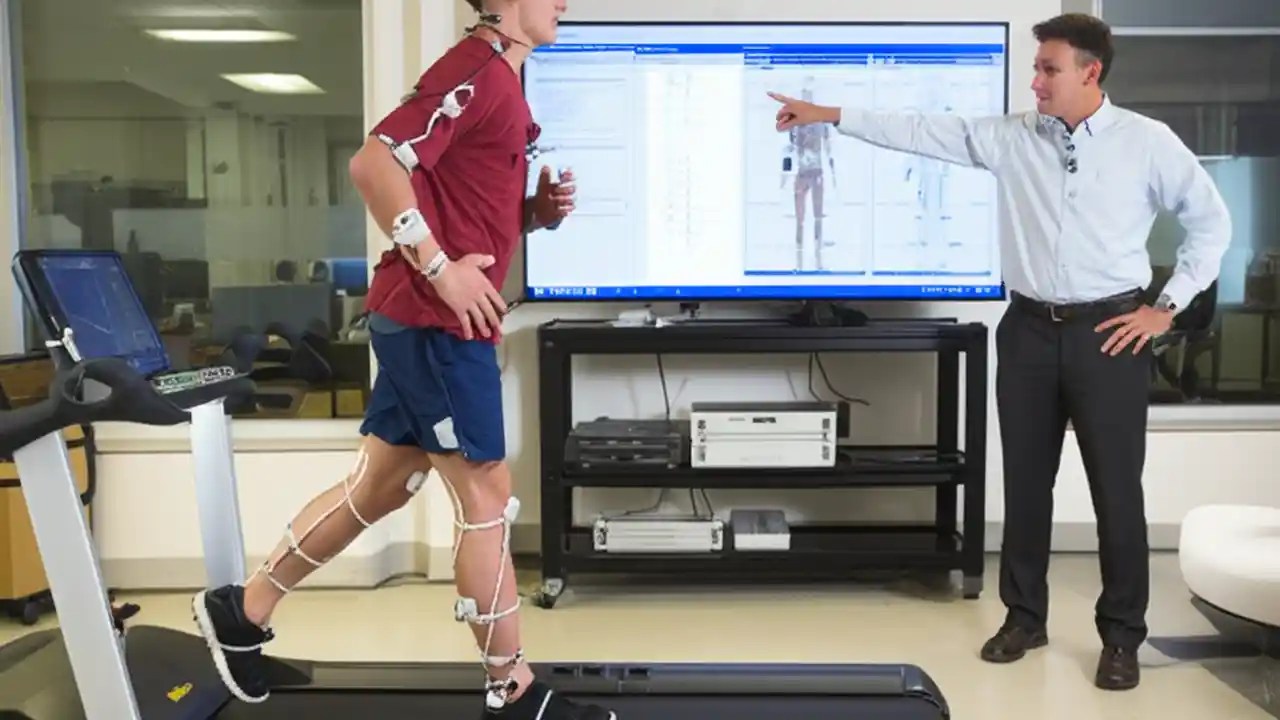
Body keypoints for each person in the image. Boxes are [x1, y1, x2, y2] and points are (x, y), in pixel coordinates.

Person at [771, 13, 1231, 691]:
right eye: (1037, 68)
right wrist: (830, 114)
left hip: (1109, 333)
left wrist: (1165, 309)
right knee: (1025, 485)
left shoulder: (1147, 144)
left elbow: (1211, 222)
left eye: (1049, 69)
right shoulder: (1012, 137)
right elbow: (921, 130)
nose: (1036, 81)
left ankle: (1122, 637)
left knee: (1116, 495)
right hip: (1028, 332)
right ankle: (1025, 617)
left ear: (1090, 72)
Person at [191, 2, 617, 718]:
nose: (565, 3)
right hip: (435, 323)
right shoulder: (474, 68)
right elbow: (374, 161)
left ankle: (244, 611)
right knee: (486, 495)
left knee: (381, 485)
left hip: (421, 318)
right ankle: (511, 690)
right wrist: (442, 269)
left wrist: (529, 215)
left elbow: (457, 199)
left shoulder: (505, 79)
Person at [782, 78, 836, 271]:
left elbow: (829, 150)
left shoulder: (822, 123)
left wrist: (835, 176)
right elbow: (788, 149)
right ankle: (798, 256)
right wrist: (784, 175)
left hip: (817, 172)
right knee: (800, 218)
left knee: (818, 215)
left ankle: (818, 255)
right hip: (803, 173)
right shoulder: (795, 124)